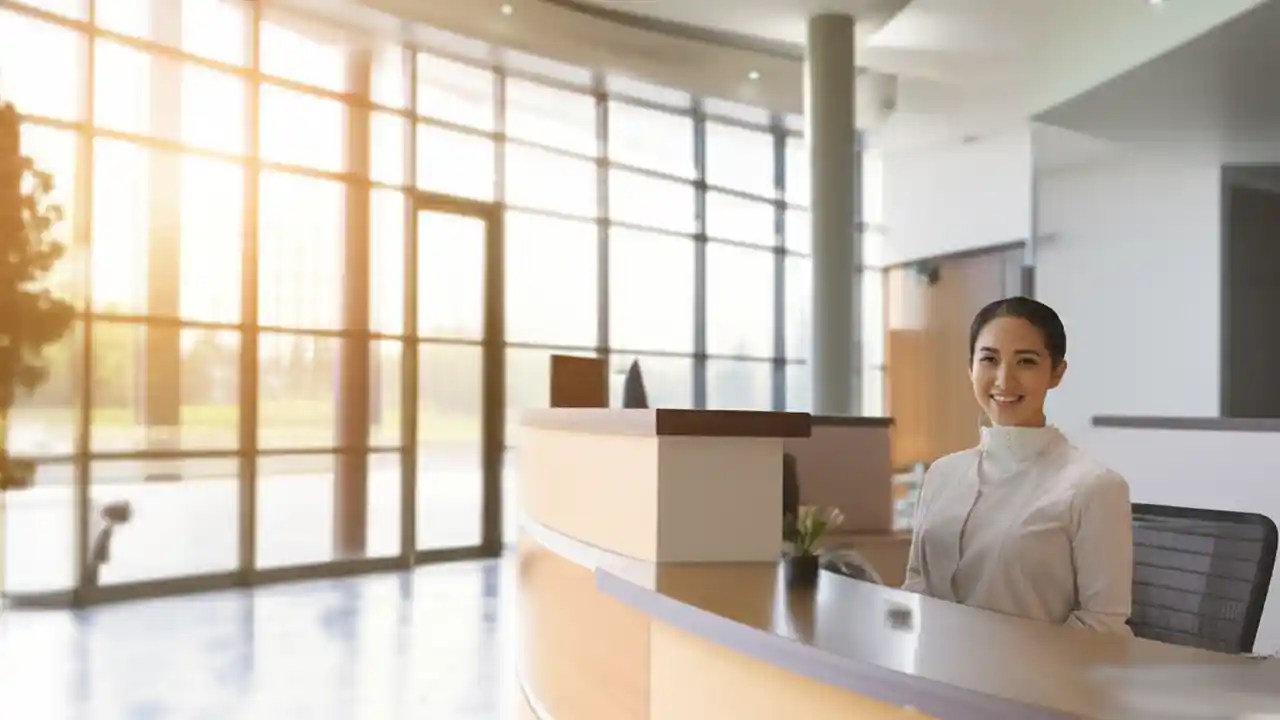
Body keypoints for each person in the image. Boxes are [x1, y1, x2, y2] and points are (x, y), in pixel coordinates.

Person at [902, 296, 1133, 633]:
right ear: (971, 368)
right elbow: (917, 585)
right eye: (989, 360)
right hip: (935, 660)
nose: (1004, 380)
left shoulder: (1094, 487)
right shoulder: (942, 474)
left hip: (1035, 668)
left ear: (1056, 373)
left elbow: (1102, 623)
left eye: (1025, 362)